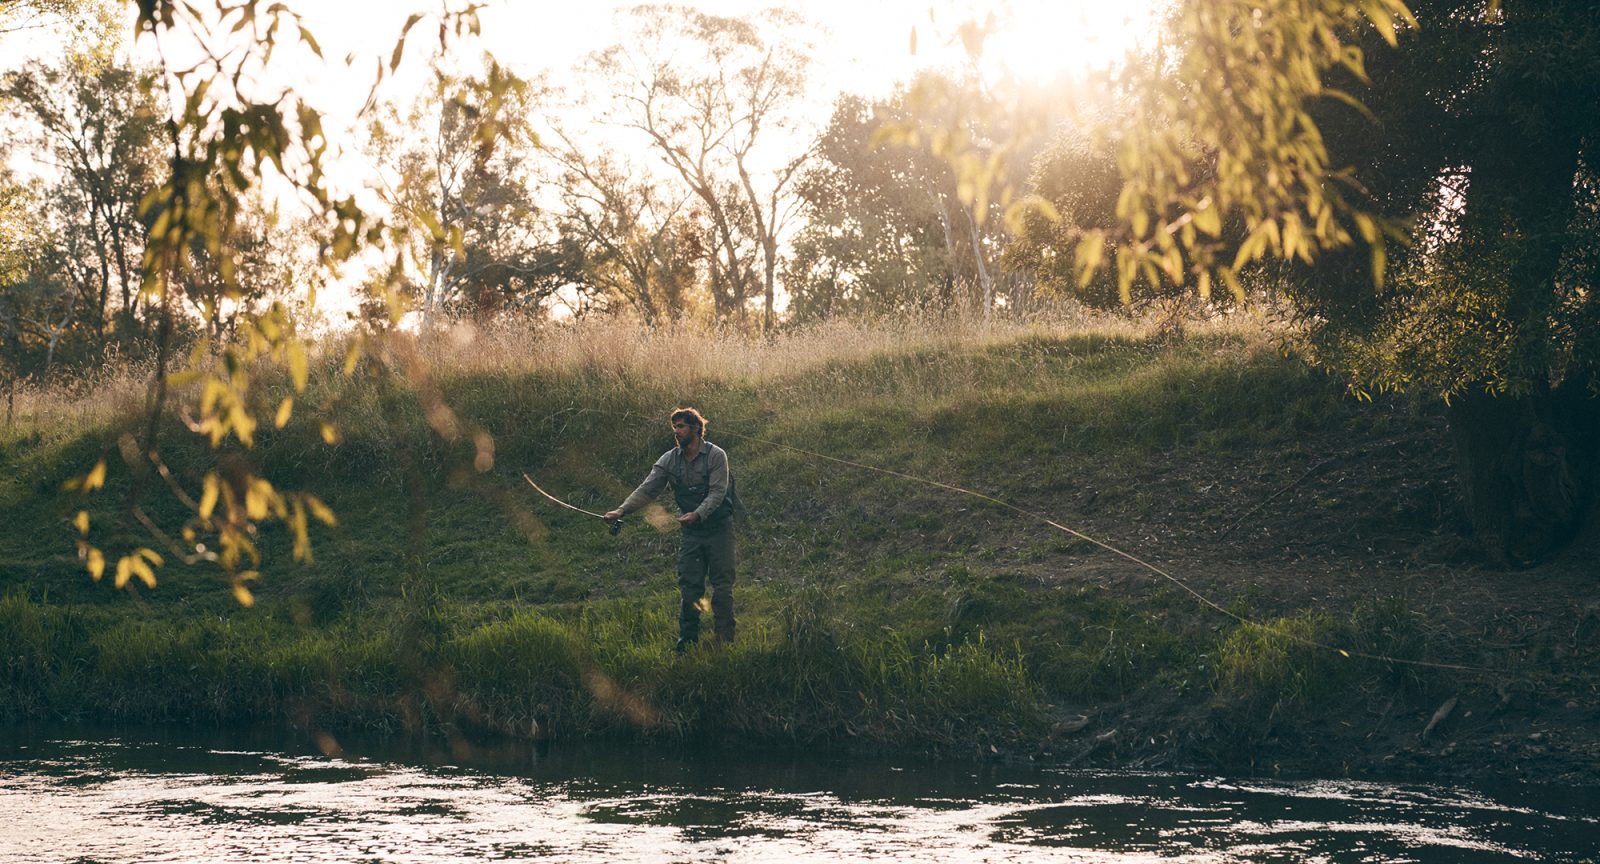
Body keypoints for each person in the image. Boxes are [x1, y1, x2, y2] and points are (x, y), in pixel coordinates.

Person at [604, 407, 738, 652]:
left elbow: (718, 492)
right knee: (690, 587)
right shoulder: (669, 459)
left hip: (719, 529)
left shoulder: (716, 455)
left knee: (722, 586)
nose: (676, 432)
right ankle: (687, 642)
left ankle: (725, 641)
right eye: (674, 427)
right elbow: (648, 489)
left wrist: (698, 514)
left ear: (696, 429)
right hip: (692, 533)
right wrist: (621, 511)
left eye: (681, 427)